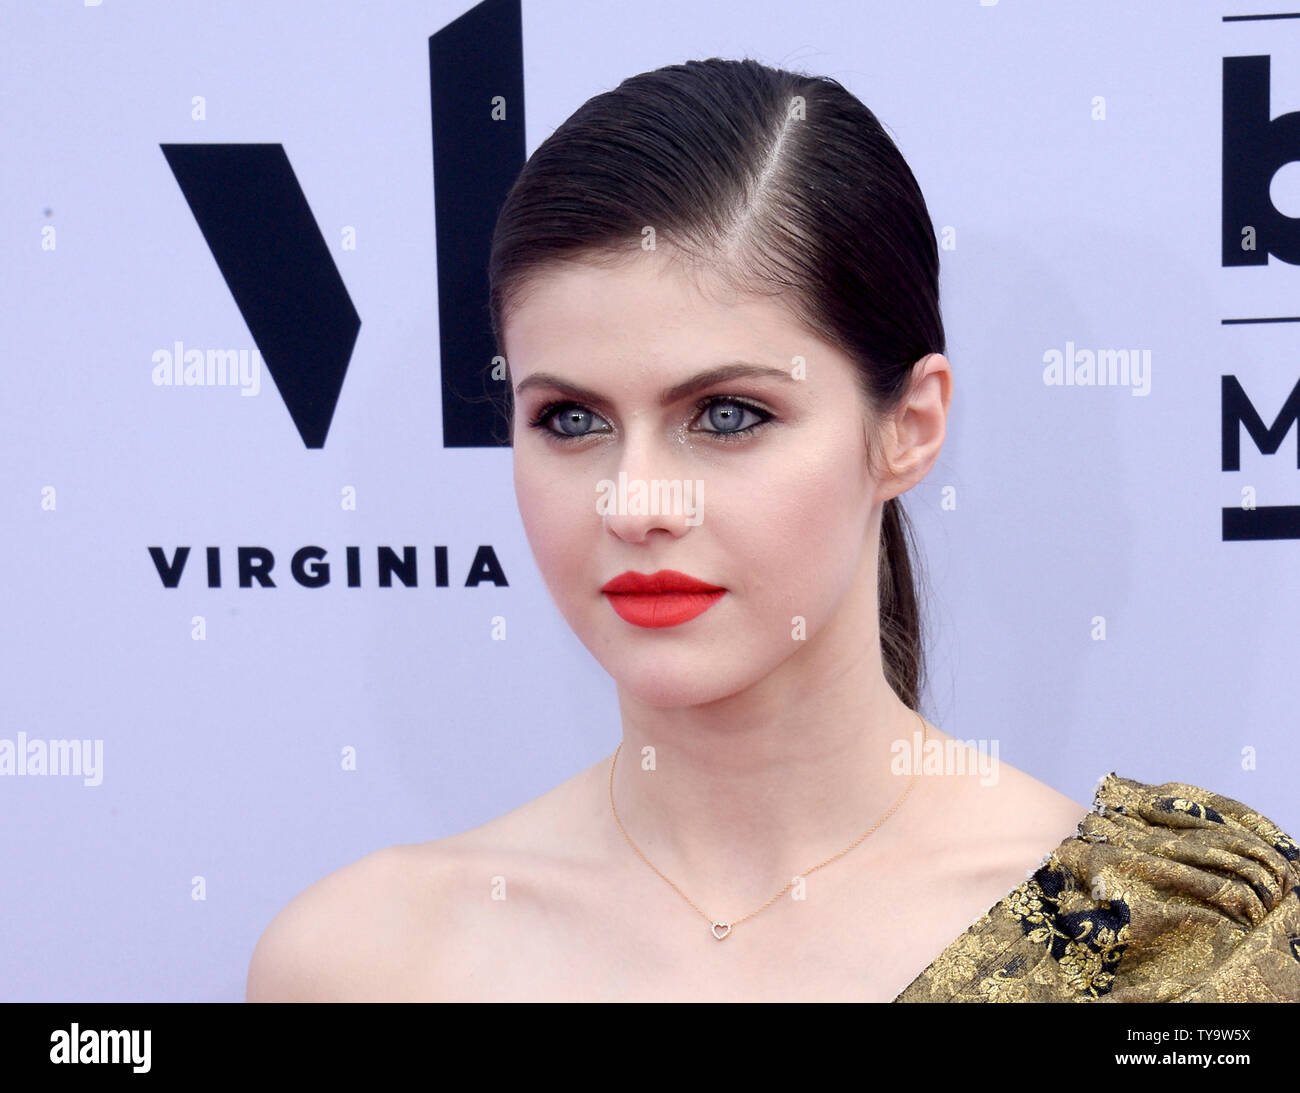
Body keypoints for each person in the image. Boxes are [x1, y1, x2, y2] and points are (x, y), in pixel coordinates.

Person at [246, 57, 1300, 1002]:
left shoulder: (1162, 948)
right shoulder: (363, 958)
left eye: (728, 415)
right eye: (570, 419)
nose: (636, 502)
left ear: (908, 426)